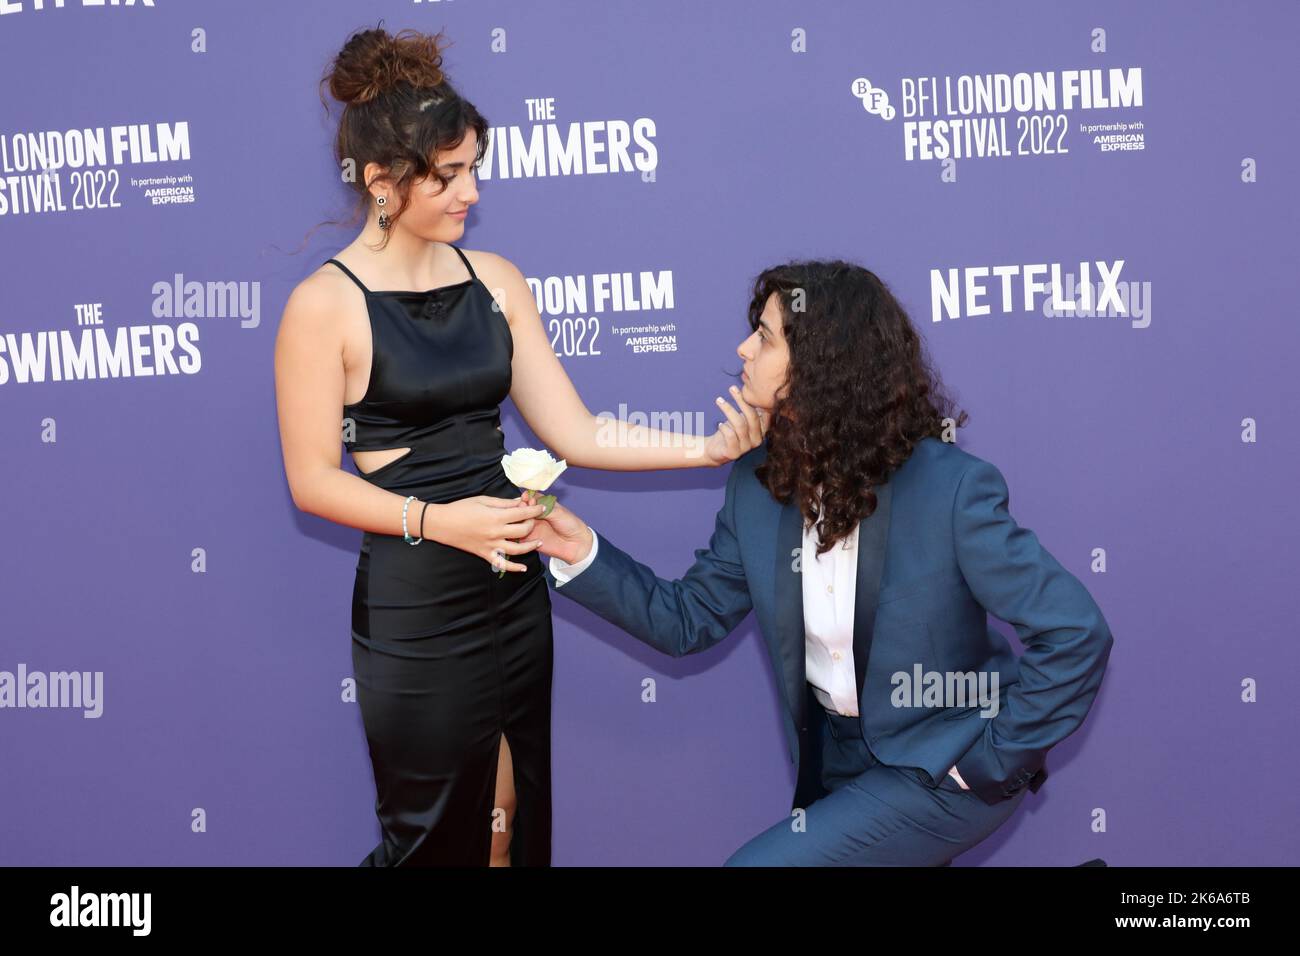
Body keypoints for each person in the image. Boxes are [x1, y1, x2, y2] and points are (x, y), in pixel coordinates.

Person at [273, 27, 767, 867]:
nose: (472, 189)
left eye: (473, 166)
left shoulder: (496, 280)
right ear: (385, 185)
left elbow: (573, 431)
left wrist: (708, 449)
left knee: (510, 823)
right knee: (433, 840)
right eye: (449, 173)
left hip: (512, 589)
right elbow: (312, 481)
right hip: (419, 600)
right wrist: (441, 523)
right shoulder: (323, 305)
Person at [525, 258, 1115, 865]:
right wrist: (577, 551)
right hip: (835, 763)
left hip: (940, 764)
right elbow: (687, 620)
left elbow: (1075, 632)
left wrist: (990, 761)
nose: (743, 347)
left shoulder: (950, 489)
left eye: (766, 335)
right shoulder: (758, 485)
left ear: (823, 364)